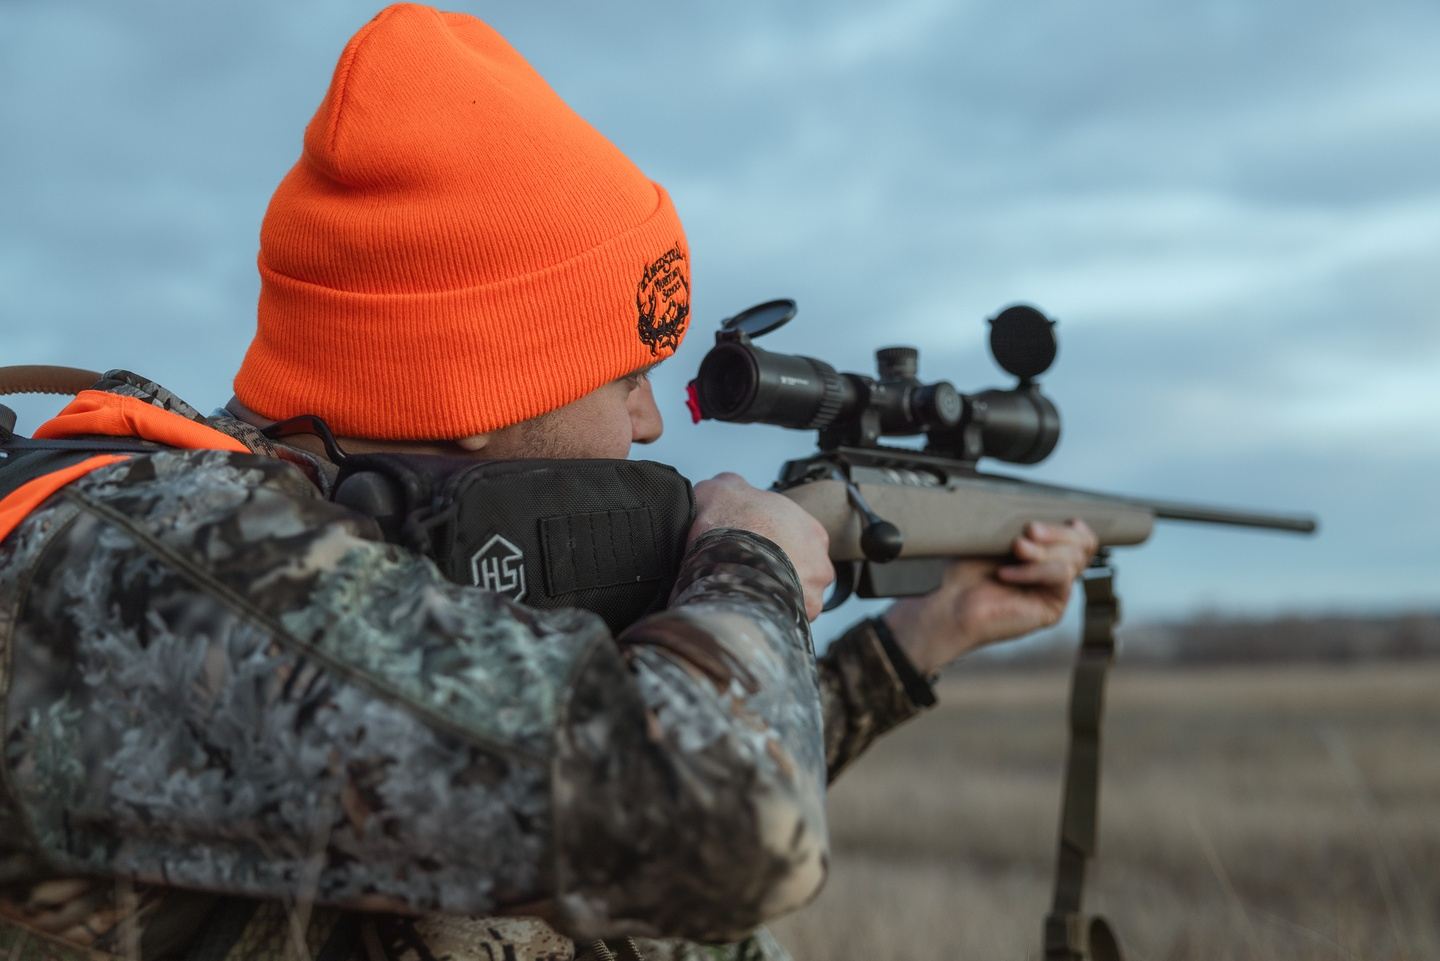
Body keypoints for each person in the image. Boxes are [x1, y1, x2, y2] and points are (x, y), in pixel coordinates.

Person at [0, 5, 1097, 960]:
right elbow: (708, 828)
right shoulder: (147, 570)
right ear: (476, 389)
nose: (650, 417)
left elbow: (526, 815)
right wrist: (752, 561)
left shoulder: (343, 542)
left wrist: (914, 643)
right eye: (624, 374)